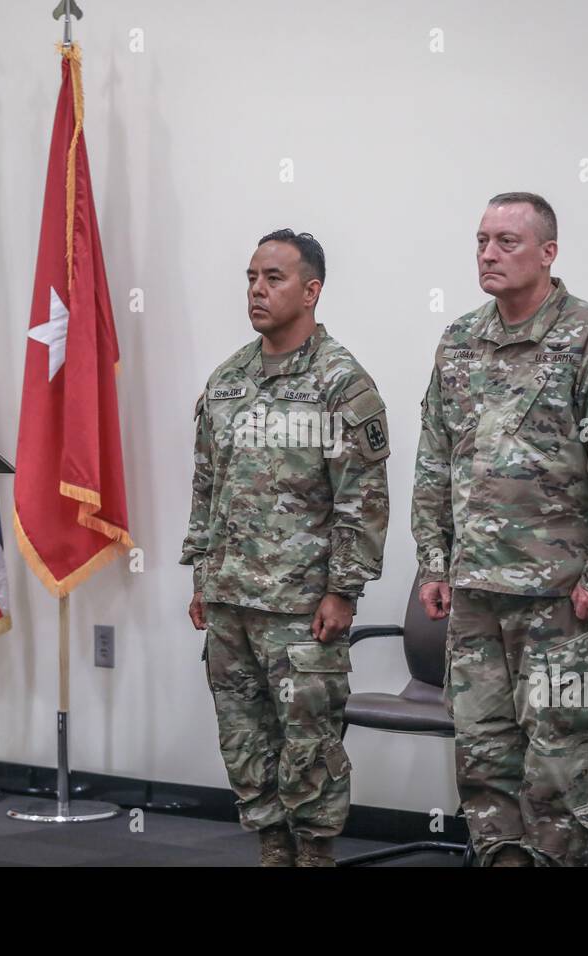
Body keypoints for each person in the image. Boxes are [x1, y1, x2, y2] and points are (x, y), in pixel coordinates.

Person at [411, 192, 588, 866]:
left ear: (548, 253)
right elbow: (435, 457)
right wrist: (434, 561)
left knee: (556, 768)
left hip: (560, 599)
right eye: (482, 240)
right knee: (484, 759)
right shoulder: (458, 340)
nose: (489, 254)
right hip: (476, 595)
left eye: (507, 242)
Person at [180, 230, 390, 866]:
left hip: (303, 605)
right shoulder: (228, 381)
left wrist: (343, 590)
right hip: (229, 598)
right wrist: (200, 575)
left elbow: (363, 497)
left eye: (273, 278)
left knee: (309, 745)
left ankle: (316, 855)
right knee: (244, 742)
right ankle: (273, 851)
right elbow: (206, 483)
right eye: (251, 277)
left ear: (312, 290)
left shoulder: (340, 384)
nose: (257, 290)